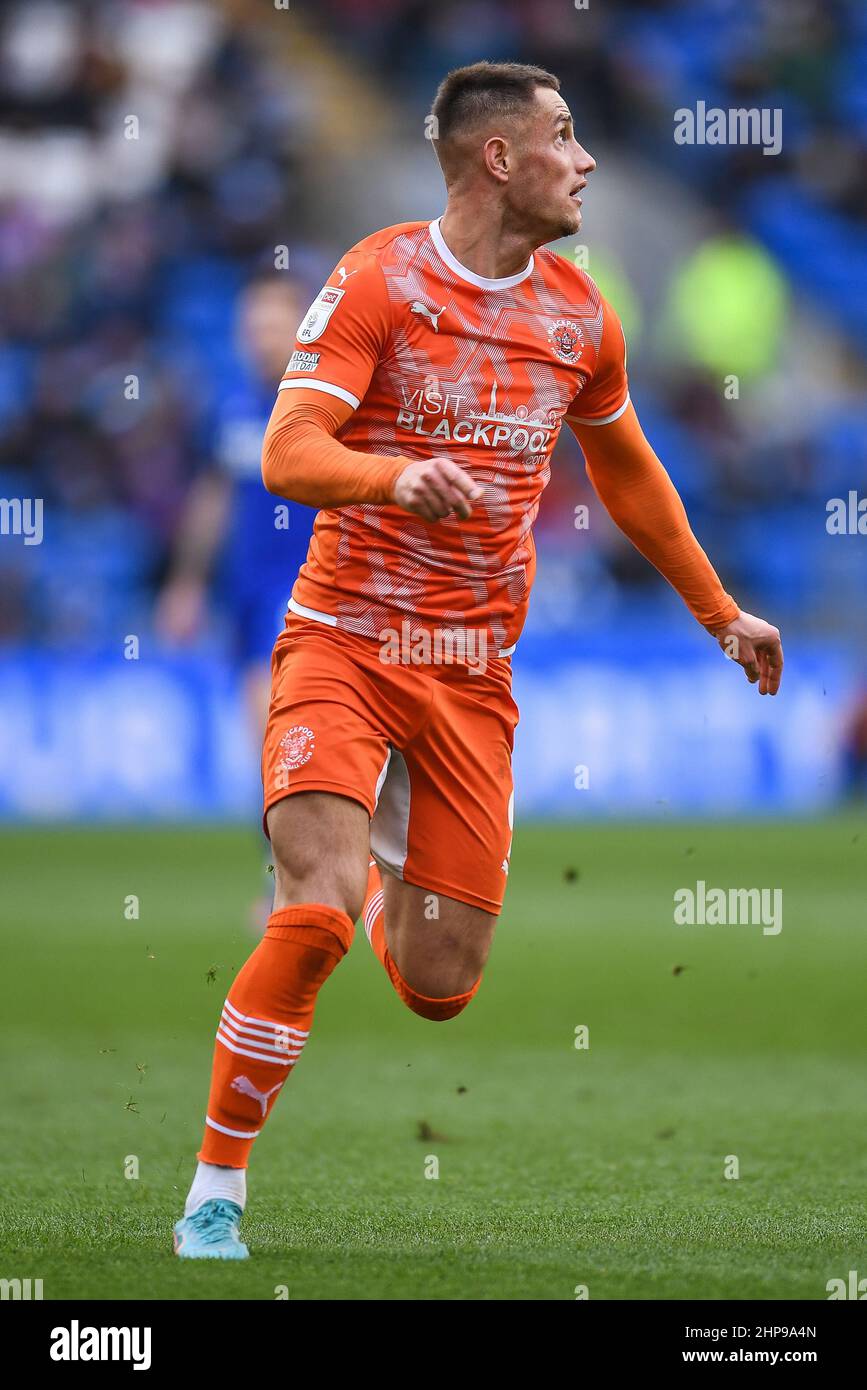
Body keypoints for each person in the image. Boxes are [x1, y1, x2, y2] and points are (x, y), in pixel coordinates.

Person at [173, 62, 783, 1260]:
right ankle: (214, 1191)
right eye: (565, 137)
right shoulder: (378, 278)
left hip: (469, 674)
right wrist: (393, 474)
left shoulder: (580, 316)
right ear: (498, 157)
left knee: (442, 986)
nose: (588, 160)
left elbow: (629, 477)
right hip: (345, 642)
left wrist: (720, 610)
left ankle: (399, 883)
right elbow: (290, 451)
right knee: (311, 916)